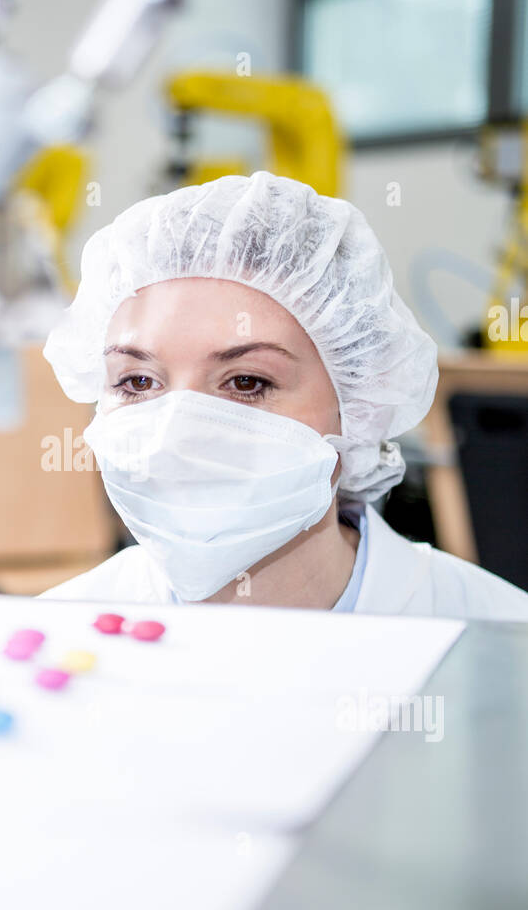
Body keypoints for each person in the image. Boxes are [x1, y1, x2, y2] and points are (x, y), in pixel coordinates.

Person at [39, 171, 528, 620]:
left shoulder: (498, 632)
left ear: (359, 405)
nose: (176, 435)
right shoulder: (54, 633)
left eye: (246, 382)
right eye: (138, 382)